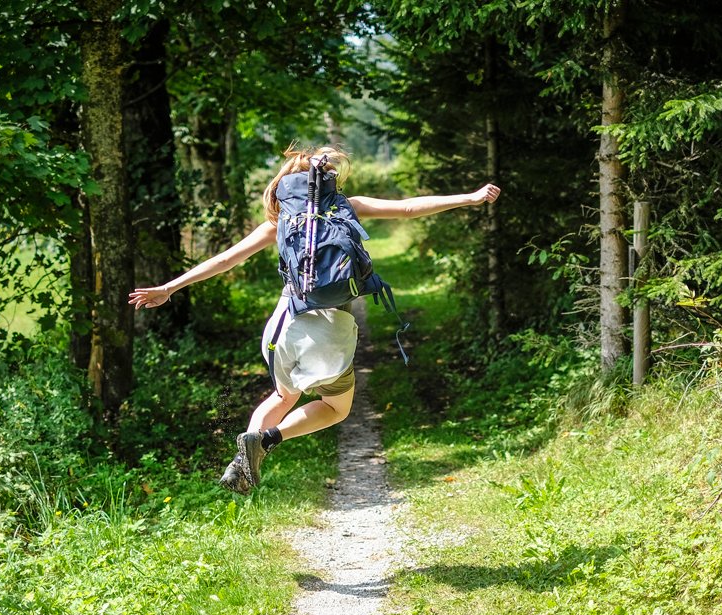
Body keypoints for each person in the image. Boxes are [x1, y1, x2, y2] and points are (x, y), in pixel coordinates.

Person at [129, 145, 500, 494]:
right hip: (326, 332)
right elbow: (407, 209)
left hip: (281, 329)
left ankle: (244, 460)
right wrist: (469, 198)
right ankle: (267, 440)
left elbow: (224, 260)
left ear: (284, 187)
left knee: (283, 395)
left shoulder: (278, 224)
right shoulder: (346, 208)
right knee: (337, 408)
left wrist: (169, 287)